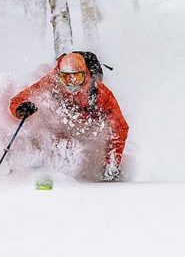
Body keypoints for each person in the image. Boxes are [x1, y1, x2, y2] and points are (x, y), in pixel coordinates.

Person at [9, 52, 129, 181]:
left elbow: (120, 127)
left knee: (84, 152)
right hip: (59, 128)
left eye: (76, 78)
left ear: (85, 74)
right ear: (59, 75)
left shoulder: (100, 93)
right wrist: (20, 109)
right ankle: (42, 176)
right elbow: (18, 99)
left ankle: (86, 180)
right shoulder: (52, 82)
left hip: (88, 129)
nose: (71, 84)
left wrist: (112, 162)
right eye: (66, 78)